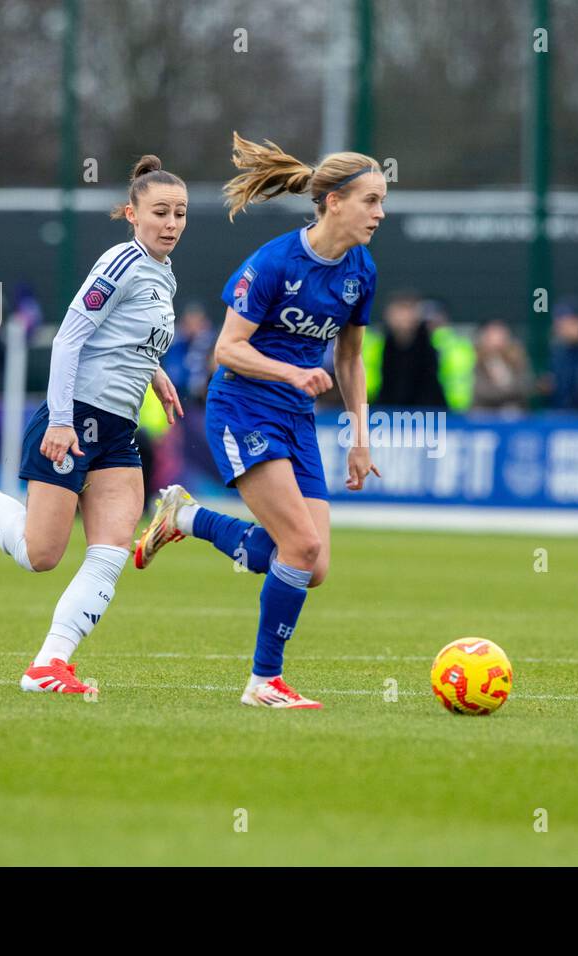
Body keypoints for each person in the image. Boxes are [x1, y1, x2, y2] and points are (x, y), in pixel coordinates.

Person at [0, 155, 186, 694]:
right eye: (159, 213)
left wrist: (154, 373)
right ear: (132, 214)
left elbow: (123, 337)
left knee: (109, 553)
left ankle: (47, 665)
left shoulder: (163, 273)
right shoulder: (121, 263)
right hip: (75, 419)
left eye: (178, 213)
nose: (170, 223)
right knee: (42, 555)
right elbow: (69, 339)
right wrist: (61, 421)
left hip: (119, 431)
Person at [132, 132, 384, 709]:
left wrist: (359, 438)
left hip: (295, 419)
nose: (380, 212)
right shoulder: (273, 263)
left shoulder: (361, 269)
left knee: (310, 564)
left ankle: (186, 518)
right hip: (243, 408)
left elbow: (348, 356)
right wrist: (293, 374)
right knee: (299, 546)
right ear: (334, 201)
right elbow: (228, 349)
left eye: (381, 200)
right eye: (370, 200)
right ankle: (263, 682)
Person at [379, 291, 446, 408]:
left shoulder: (432, 345)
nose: (403, 318)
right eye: (399, 312)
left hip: (429, 413)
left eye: (408, 311)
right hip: (386, 412)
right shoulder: (379, 344)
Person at [471, 320, 533, 412]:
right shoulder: (475, 359)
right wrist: (505, 391)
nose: (496, 342)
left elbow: (525, 386)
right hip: (484, 410)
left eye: (500, 337)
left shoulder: (517, 359)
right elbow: (480, 390)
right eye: (492, 337)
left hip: (513, 410)